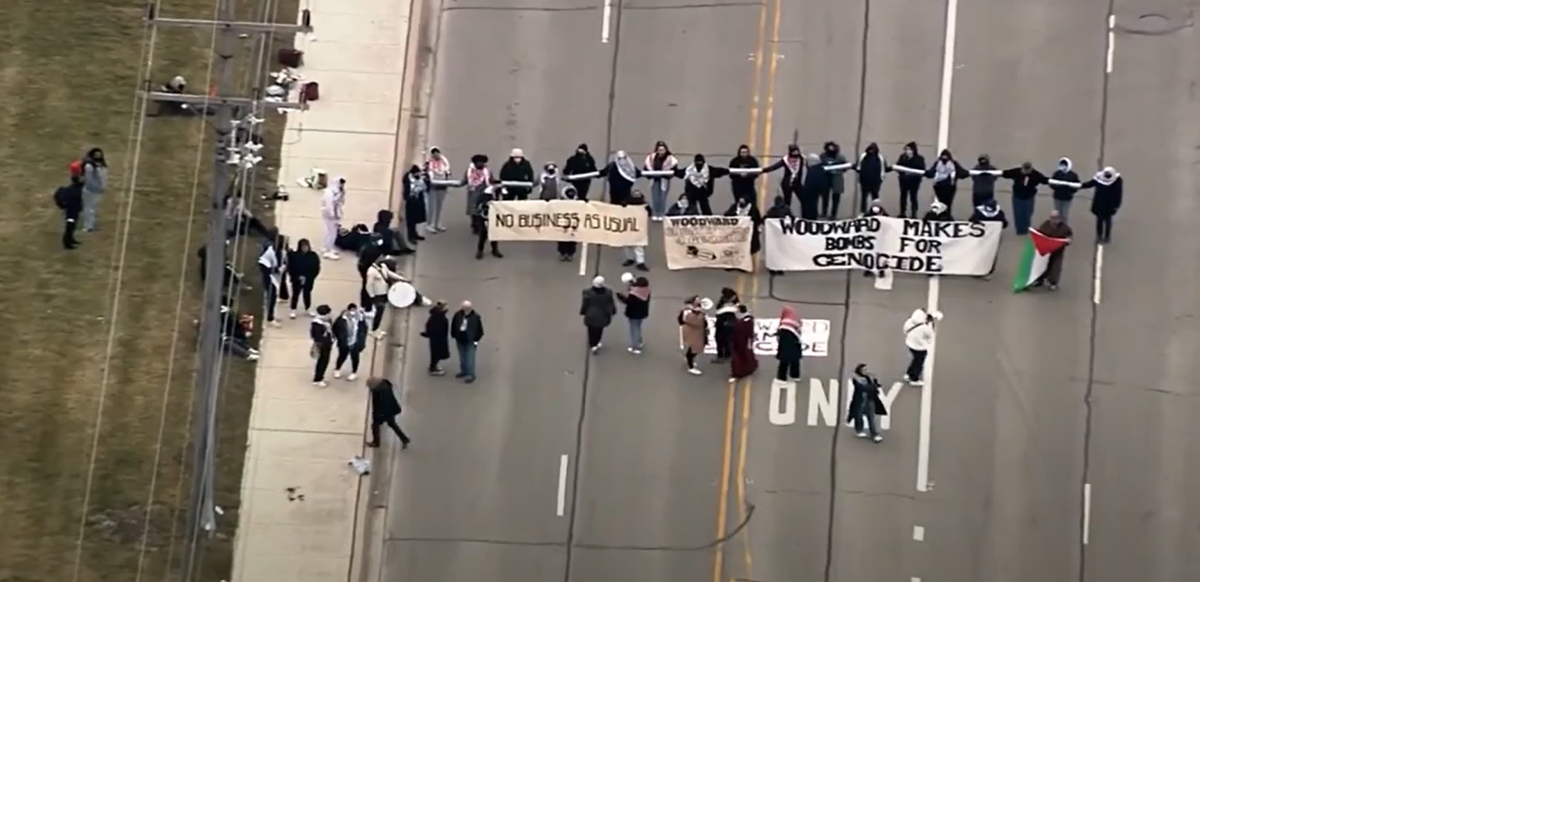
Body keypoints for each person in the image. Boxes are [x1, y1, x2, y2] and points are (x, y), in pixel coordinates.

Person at [538, 164, 579, 261]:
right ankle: (563, 253)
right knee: (562, 238)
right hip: (563, 222)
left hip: (571, 223)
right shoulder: (561, 202)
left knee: (571, 238)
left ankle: (569, 253)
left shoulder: (576, 203)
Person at [364, 259, 409, 338]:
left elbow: (389, 273)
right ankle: (373, 330)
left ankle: (377, 328)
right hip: (377, 295)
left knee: (381, 312)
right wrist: (371, 295)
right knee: (379, 313)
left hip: (384, 292)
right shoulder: (371, 272)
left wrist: (400, 278)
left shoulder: (383, 266)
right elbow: (368, 285)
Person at [1001, 161, 1048, 235]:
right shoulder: (1017, 172)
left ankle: (1026, 229)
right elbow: (1005, 173)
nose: (1025, 171)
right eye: (1024, 170)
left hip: (1029, 198)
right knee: (1018, 214)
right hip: (1017, 197)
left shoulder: (1035, 174)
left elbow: (1045, 180)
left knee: (1028, 214)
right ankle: (1019, 230)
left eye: (1027, 170)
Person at [366, 377, 411, 449]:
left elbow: (378, 404)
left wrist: (378, 415)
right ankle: (404, 439)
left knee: (375, 426)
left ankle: (376, 442)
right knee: (393, 425)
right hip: (390, 410)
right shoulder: (385, 386)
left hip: (383, 412)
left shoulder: (378, 392)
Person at [846, 364, 887, 443]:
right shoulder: (857, 379)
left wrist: (876, 384)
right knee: (858, 415)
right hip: (861, 401)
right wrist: (872, 386)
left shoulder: (870, 377)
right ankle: (859, 429)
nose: (866, 371)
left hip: (870, 400)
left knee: (871, 417)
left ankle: (874, 434)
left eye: (866, 369)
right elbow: (862, 388)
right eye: (864, 370)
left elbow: (876, 385)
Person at [1035, 210, 1074, 291]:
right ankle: (1040, 279)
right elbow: (1039, 234)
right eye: (1052, 218)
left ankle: (1053, 282)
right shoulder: (1045, 225)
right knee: (1042, 265)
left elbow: (1069, 236)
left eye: (1055, 218)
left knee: (1055, 267)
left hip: (1057, 251)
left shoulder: (1064, 228)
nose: (1053, 220)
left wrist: (1067, 240)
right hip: (1046, 250)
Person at [1083, 166, 1123, 243]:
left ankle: (1107, 236)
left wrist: (1116, 205)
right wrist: (1080, 186)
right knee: (1100, 221)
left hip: (1110, 205)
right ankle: (1099, 236)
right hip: (1100, 204)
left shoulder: (1117, 181)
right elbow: (1090, 183)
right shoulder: (1099, 178)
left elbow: (1119, 194)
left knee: (1107, 221)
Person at [969, 199, 1008, 277]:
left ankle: (977, 269)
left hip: (982, 237)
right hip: (994, 237)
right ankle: (988, 270)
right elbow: (1005, 224)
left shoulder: (979, 213)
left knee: (979, 252)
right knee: (991, 254)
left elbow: (971, 221)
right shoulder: (999, 213)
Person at [724, 197, 763, 271]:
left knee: (746, 250)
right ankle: (732, 265)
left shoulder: (753, 209)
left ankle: (743, 266)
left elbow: (758, 221)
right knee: (734, 249)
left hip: (747, 234)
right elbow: (726, 215)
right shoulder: (735, 207)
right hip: (735, 233)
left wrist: (758, 230)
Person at [762, 143, 806, 209]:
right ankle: (786, 215)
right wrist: (764, 170)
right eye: (794, 151)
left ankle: (805, 214)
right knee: (787, 202)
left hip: (797, 183)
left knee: (804, 199)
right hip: (787, 183)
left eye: (797, 151)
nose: (796, 153)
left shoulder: (801, 158)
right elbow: (775, 166)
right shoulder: (786, 160)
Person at [902, 308, 939, 386]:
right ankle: (914, 378)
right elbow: (930, 334)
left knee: (915, 360)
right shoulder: (925, 328)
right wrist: (931, 324)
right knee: (918, 363)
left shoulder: (909, 322)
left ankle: (909, 374)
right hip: (919, 347)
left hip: (910, 344)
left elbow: (905, 330)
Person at [332, 303, 368, 380]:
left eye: (354, 310)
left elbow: (364, 329)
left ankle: (354, 372)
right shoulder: (342, 319)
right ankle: (337, 369)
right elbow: (335, 328)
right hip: (344, 342)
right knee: (342, 356)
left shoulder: (360, 319)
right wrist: (339, 338)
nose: (353, 312)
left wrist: (361, 340)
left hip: (355, 342)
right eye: (351, 310)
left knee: (355, 358)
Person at [581, 275, 617, 353]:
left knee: (591, 330)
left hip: (591, 314)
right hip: (603, 314)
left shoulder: (587, 292)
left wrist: (583, 312)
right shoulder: (608, 292)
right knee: (599, 329)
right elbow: (610, 303)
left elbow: (585, 304)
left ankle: (592, 344)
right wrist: (613, 311)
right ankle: (596, 342)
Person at [450, 300, 484, 383]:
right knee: (462, 356)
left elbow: (479, 330)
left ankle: (470, 374)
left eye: (467, 308)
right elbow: (454, 325)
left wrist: (476, 340)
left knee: (470, 357)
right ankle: (464, 371)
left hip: (470, 340)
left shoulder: (475, 317)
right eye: (464, 308)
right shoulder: (458, 315)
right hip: (460, 338)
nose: (465, 310)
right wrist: (454, 335)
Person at [616, 274, 651, 354]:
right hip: (642, 312)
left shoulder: (634, 294)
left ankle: (636, 347)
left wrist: (621, 297)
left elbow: (628, 302)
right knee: (638, 327)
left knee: (634, 330)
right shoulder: (646, 290)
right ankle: (639, 342)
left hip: (633, 314)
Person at [286, 238, 321, 319]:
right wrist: (297, 276)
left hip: (309, 279)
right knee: (295, 294)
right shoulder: (294, 256)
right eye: (303, 247)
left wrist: (309, 277)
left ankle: (308, 308)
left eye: (306, 246)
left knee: (307, 294)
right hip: (297, 279)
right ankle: (293, 309)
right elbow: (291, 268)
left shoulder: (313, 256)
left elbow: (316, 268)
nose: (305, 248)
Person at [643, 141, 678, 218]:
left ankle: (661, 214)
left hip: (664, 180)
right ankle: (655, 213)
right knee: (655, 197)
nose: (661, 152)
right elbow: (646, 167)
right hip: (655, 179)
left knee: (662, 198)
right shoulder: (652, 157)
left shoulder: (670, 158)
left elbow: (674, 169)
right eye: (659, 150)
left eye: (663, 150)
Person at [892, 142, 927, 217]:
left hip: (914, 181)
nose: (907, 151)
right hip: (904, 180)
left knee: (913, 197)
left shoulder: (919, 158)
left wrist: (913, 174)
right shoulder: (903, 157)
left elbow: (921, 169)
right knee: (903, 196)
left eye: (909, 149)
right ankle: (902, 212)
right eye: (906, 149)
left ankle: (914, 213)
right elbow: (898, 166)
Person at [423, 147, 454, 231]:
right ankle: (430, 224)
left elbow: (448, 173)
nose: (436, 156)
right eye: (434, 154)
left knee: (439, 206)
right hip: (433, 187)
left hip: (442, 186)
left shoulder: (444, 161)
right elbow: (426, 174)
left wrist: (447, 183)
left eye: (438, 153)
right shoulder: (428, 163)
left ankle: (437, 223)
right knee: (431, 206)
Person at [470, 182, 502, 260]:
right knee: (483, 234)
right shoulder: (485, 194)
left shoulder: (498, 191)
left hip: (493, 216)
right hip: (484, 216)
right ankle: (480, 251)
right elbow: (479, 204)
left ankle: (495, 250)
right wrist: (486, 204)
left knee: (494, 233)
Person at [855, 142, 889, 214]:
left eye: (873, 150)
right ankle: (862, 212)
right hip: (864, 181)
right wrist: (860, 179)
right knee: (864, 197)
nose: (871, 151)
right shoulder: (863, 156)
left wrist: (881, 179)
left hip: (875, 181)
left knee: (875, 198)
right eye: (870, 150)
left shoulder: (880, 158)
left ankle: (877, 211)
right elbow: (858, 168)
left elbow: (884, 169)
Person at [258, 234, 285, 326]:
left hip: (273, 276)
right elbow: (265, 267)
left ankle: (271, 315)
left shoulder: (277, 251)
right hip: (269, 277)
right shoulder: (270, 253)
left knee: (273, 296)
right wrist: (277, 269)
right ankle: (270, 318)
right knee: (271, 297)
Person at [80, 148, 108, 232]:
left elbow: (103, 178)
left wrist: (102, 187)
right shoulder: (89, 166)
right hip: (90, 190)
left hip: (97, 190)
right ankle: (88, 226)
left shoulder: (100, 165)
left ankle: (90, 224)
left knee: (92, 208)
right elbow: (88, 180)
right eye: (96, 155)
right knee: (89, 209)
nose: (98, 156)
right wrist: (95, 188)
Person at [1047, 157, 1082, 222]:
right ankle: (1056, 228)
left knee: (1065, 214)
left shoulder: (1073, 175)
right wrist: (1057, 187)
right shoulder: (1057, 173)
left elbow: (1077, 185)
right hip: (1057, 196)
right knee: (1056, 214)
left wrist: (1071, 191)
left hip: (1067, 198)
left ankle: (1064, 230)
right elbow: (1051, 183)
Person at [622, 190, 650, 271]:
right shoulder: (626, 204)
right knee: (627, 244)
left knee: (639, 245)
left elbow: (649, 213)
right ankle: (630, 259)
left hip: (639, 228)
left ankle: (640, 262)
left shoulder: (644, 205)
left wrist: (647, 208)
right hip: (628, 227)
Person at [764, 194, 792, 276]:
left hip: (773, 236)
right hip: (782, 236)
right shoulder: (787, 209)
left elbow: (765, 218)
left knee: (773, 252)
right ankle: (780, 268)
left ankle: (773, 268)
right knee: (781, 252)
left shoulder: (773, 210)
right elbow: (792, 218)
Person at [729, 304, 757, 383]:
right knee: (745, 356)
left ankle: (738, 373)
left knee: (738, 358)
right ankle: (747, 369)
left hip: (741, 342)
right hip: (740, 341)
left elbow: (747, 333)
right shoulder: (746, 319)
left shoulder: (745, 321)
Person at [54, 176, 84, 250]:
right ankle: (67, 243)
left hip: (73, 212)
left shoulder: (72, 189)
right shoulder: (75, 190)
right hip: (71, 213)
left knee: (72, 226)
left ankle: (71, 239)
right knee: (69, 227)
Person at [820, 140, 849, 218]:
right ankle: (824, 212)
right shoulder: (823, 156)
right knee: (825, 196)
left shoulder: (840, 157)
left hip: (837, 179)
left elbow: (845, 166)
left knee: (836, 197)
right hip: (825, 178)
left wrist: (838, 171)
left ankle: (833, 214)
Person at [775, 306, 803, 383]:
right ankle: (795, 375)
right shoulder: (796, 322)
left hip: (785, 346)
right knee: (795, 361)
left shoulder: (783, 325)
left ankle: (782, 378)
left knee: (784, 362)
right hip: (795, 344)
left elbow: (779, 337)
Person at [799, 153, 832, 220]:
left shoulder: (812, 170)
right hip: (819, 188)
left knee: (810, 205)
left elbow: (809, 182)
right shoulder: (821, 169)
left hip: (811, 190)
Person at [679, 297, 707, 375]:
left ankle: (689, 360)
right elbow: (704, 324)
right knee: (694, 349)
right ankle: (690, 366)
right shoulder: (697, 318)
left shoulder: (685, 314)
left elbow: (680, 320)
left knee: (691, 348)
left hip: (689, 332)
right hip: (696, 334)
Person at [422, 301, 451, 375]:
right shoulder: (439, 318)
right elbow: (435, 328)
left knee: (435, 354)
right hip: (438, 339)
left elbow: (429, 326)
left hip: (436, 338)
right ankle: (433, 368)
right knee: (436, 354)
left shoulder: (435, 316)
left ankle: (434, 366)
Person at [319, 176, 345, 258]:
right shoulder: (330, 193)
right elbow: (328, 205)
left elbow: (341, 202)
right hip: (330, 216)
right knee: (330, 233)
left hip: (335, 214)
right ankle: (327, 250)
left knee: (333, 233)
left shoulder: (339, 192)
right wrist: (332, 215)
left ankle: (329, 247)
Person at [309, 305, 335, 387]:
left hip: (328, 344)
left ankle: (321, 376)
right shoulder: (317, 324)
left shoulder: (327, 321)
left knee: (325, 361)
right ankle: (317, 379)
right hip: (322, 346)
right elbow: (316, 336)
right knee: (322, 362)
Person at [401, 164, 428, 242]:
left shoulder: (420, 179)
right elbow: (407, 188)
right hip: (411, 200)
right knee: (410, 220)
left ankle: (414, 234)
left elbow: (425, 186)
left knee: (415, 220)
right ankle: (410, 237)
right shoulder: (408, 179)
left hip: (417, 201)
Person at [712, 287, 739, 362]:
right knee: (727, 340)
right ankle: (727, 353)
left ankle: (721, 354)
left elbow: (718, 309)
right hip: (728, 325)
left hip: (722, 324)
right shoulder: (734, 304)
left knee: (720, 339)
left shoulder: (725, 306)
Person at [465, 154, 494, 223]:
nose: (481, 164)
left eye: (482, 162)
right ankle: (474, 224)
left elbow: (491, 179)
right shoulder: (470, 171)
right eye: (479, 162)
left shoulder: (488, 171)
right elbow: (465, 180)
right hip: (474, 192)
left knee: (484, 208)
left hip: (484, 193)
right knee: (474, 210)